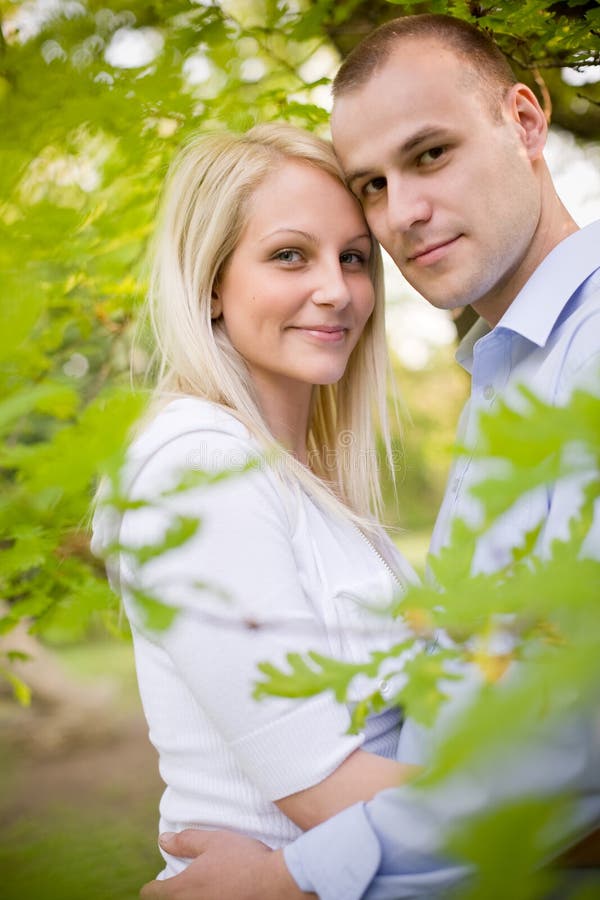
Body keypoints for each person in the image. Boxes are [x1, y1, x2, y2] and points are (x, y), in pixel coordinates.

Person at [140, 13, 600, 900]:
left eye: (430, 154)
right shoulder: (504, 379)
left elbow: (569, 752)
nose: (404, 216)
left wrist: (287, 878)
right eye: (374, 186)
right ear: (209, 288)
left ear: (527, 121)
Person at [92, 122, 425, 883]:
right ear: (211, 281)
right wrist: (573, 825)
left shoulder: (304, 478)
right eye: (289, 255)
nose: (336, 290)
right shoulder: (199, 464)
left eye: (353, 257)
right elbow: (326, 791)